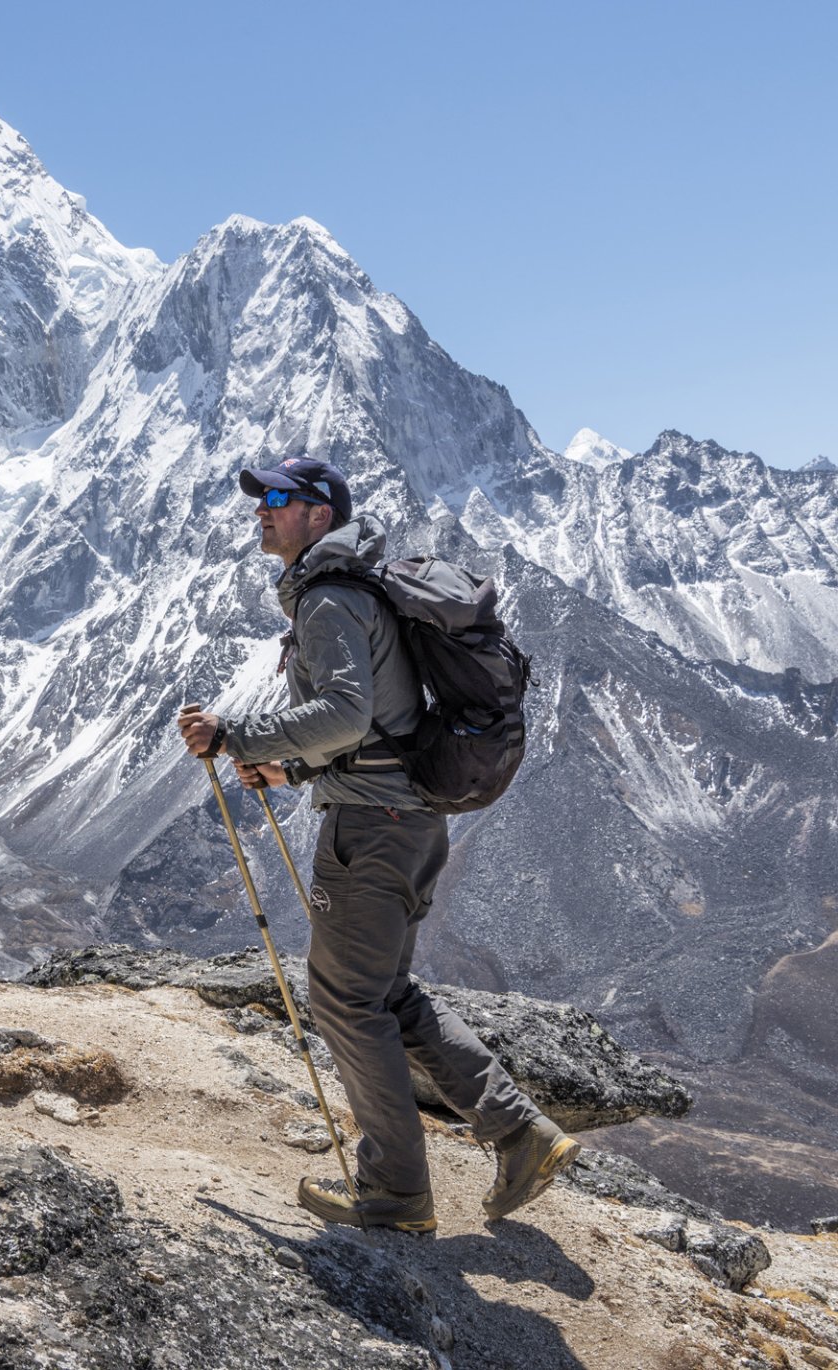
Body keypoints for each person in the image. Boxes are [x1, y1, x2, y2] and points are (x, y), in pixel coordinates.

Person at [176, 456, 578, 1233]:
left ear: (319, 515)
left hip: (371, 830)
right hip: (409, 820)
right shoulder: (351, 589)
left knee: (343, 1001)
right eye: (263, 499)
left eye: (281, 499)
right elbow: (377, 723)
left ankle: (395, 1193)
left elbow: (346, 716)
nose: (263, 509)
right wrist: (288, 767)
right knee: (386, 994)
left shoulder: (328, 597)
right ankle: (521, 1133)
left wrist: (235, 734)